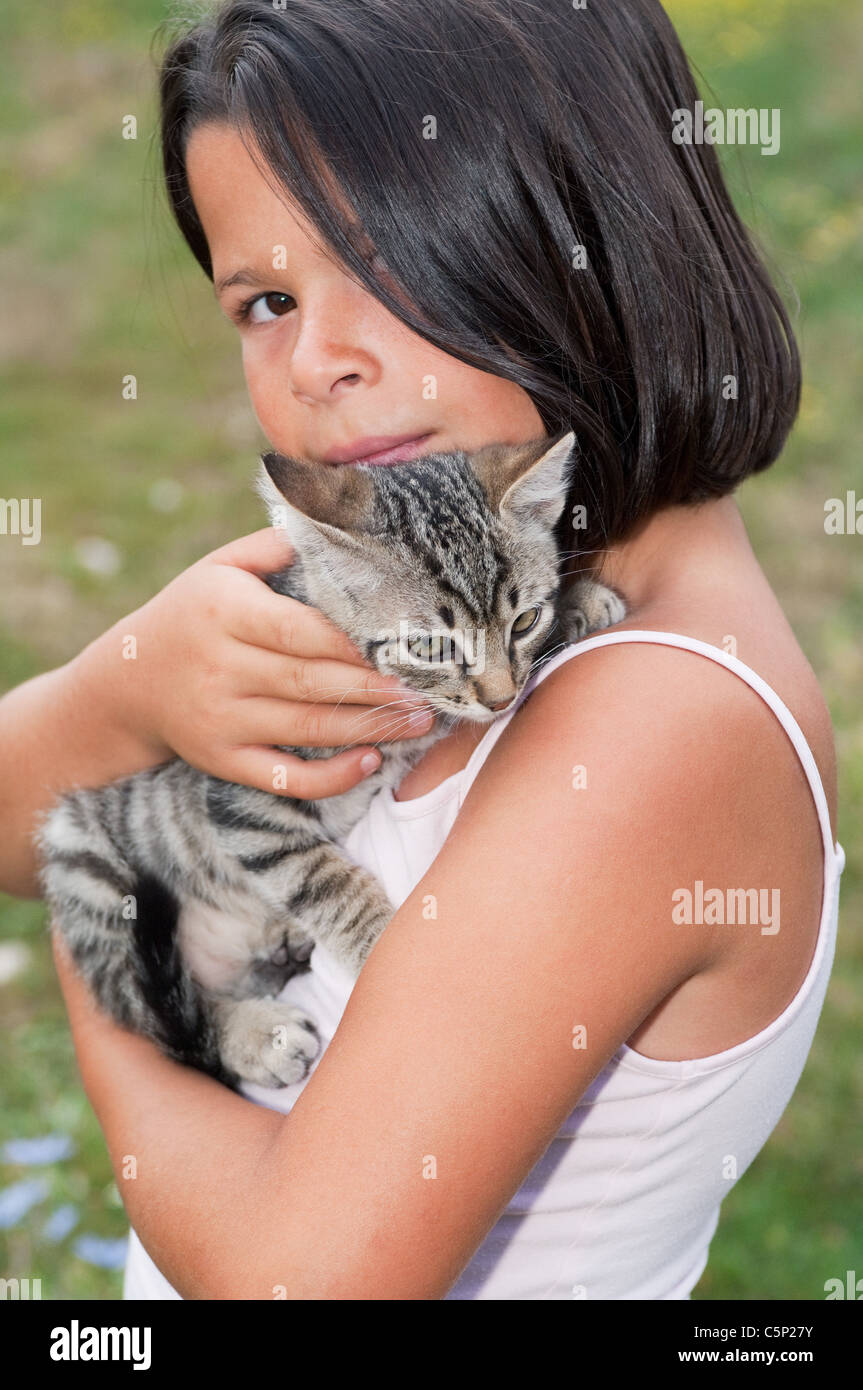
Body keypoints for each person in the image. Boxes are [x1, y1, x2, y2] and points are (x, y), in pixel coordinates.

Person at [3, 0, 842, 1299]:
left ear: (588, 229)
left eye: (381, 262)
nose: (318, 360)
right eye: (266, 300)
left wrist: (103, 926)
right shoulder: (440, 576)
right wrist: (130, 693)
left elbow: (296, 1280)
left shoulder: (657, 726)